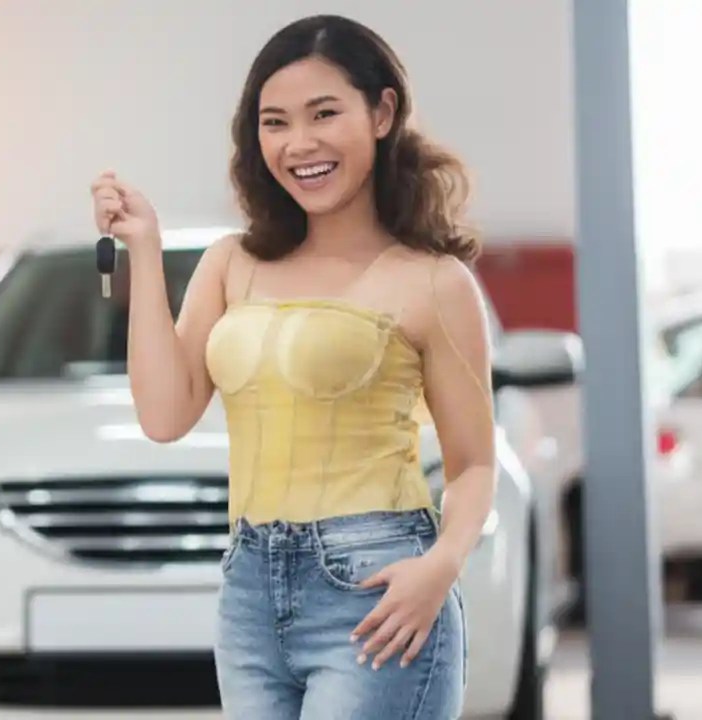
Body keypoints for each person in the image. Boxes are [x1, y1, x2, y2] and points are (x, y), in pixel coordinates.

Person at [91, 15, 492, 719]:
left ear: (382, 113)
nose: (298, 143)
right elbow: (164, 414)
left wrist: (441, 567)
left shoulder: (434, 281)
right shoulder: (231, 263)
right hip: (249, 590)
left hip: (378, 590)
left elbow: (474, 464)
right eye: (274, 123)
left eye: (324, 114)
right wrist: (144, 250)